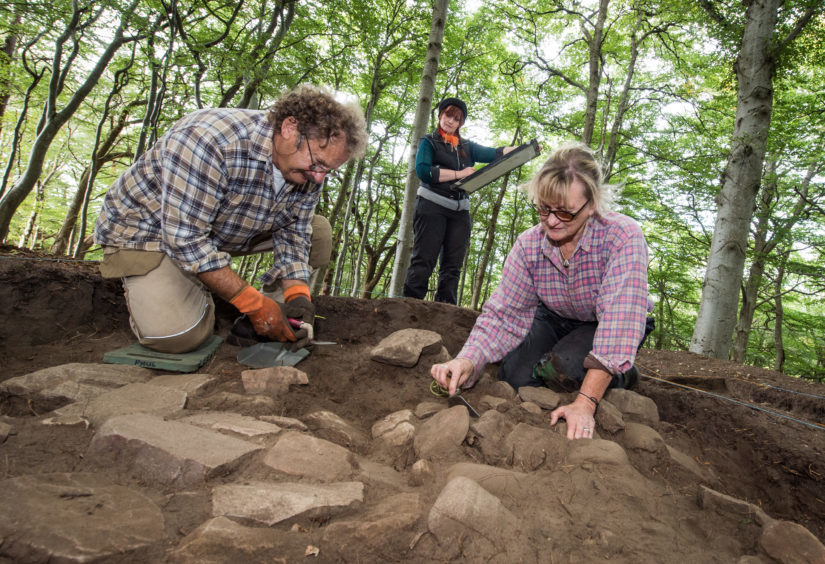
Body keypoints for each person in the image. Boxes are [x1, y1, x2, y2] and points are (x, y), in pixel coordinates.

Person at [94, 84, 367, 354]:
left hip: (217, 229)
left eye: (328, 170)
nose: (319, 177)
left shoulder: (306, 168)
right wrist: (252, 304)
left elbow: (294, 231)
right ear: (289, 129)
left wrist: (297, 295)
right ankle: (203, 297)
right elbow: (185, 240)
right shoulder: (208, 140)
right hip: (148, 234)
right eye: (318, 163)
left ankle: (274, 315)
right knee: (178, 337)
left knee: (317, 231)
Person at [430, 142, 654, 440]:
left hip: (603, 322)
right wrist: (467, 359)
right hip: (554, 316)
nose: (551, 221)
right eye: (544, 208)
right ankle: (567, 362)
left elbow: (619, 322)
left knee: (564, 368)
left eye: (565, 213)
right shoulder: (528, 245)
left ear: (591, 206)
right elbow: (503, 315)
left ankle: (622, 373)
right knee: (514, 375)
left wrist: (585, 405)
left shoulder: (622, 237)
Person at [402, 97, 515, 304]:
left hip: (459, 213)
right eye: (448, 115)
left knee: (452, 267)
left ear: (460, 123)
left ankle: (445, 312)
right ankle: (408, 307)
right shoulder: (429, 142)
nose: (451, 121)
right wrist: (459, 174)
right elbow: (423, 171)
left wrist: (518, 150)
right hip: (431, 208)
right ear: (440, 115)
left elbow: (494, 153)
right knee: (424, 260)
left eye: (456, 118)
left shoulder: (467, 147)